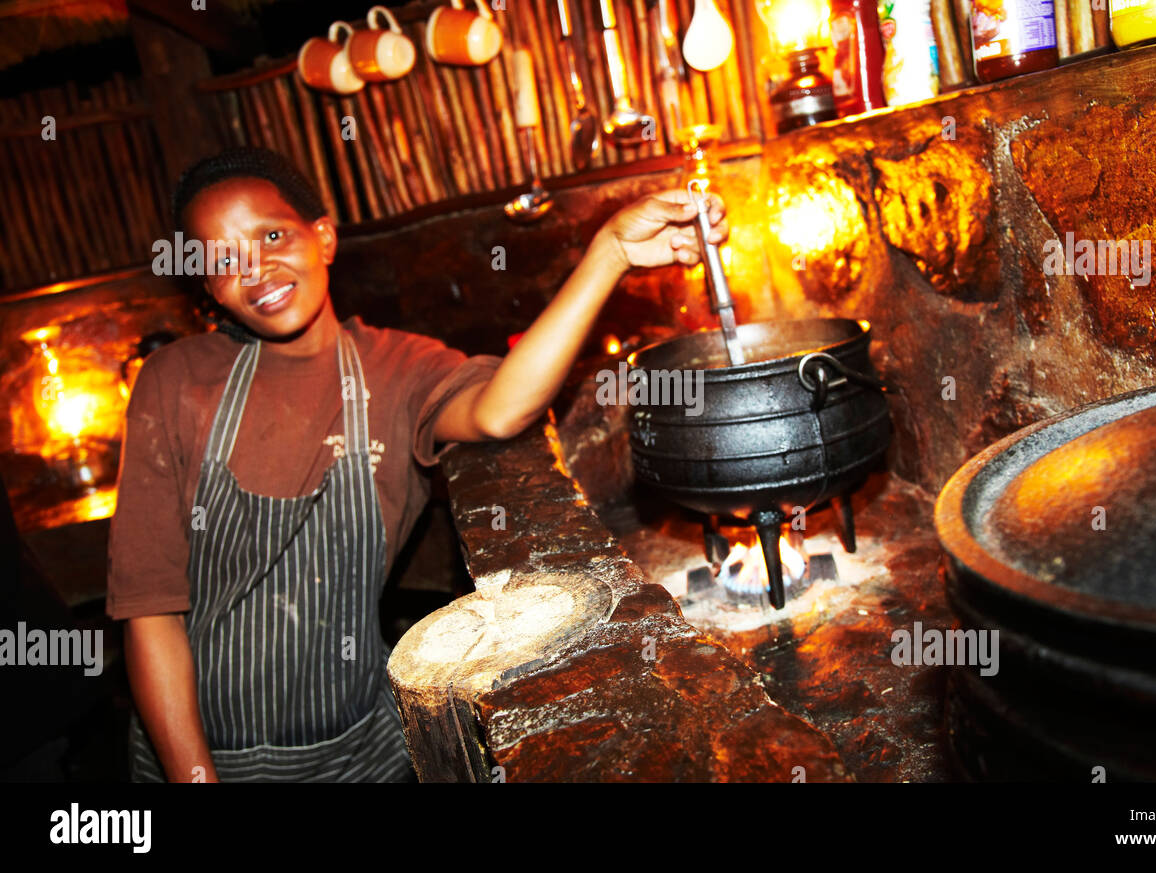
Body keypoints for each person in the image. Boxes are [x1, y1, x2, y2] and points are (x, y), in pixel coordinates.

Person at [107, 147, 727, 782]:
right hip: (196, 755)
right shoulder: (174, 383)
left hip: (359, 752)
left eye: (272, 235)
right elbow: (149, 610)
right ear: (206, 284)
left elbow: (501, 408)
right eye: (221, 258)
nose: (256, 266)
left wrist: (611, 254)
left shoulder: (394, 367)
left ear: (322, 238)